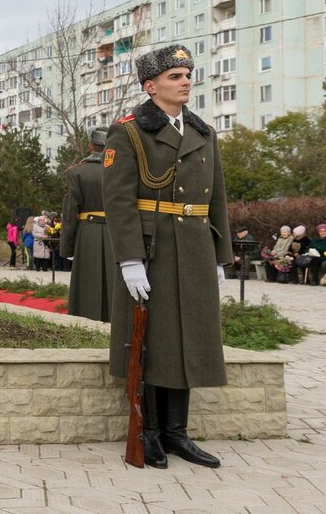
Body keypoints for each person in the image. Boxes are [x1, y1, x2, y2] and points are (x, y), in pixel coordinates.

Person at [102, 44, 231, 470]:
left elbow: (218, 202)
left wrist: (219, 255)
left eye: (188, 74)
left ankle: (178, 433)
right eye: (175, 76)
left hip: (193, 247)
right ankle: (151, 432)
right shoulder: (130, 132)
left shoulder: (203, 132)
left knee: (189, 340)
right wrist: (129, 259)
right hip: (152, 248)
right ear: (150, 86)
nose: (186, 81)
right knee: (154, 342)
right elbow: (118, 201)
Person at [60, 127, 114, 322]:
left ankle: (86, 318)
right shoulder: (120, 171)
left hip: (87, 232)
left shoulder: (77, 172)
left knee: (86, 281)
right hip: (115, 232)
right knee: (114, 280)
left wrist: (67, 247)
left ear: (91, 146)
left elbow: (69, 213)